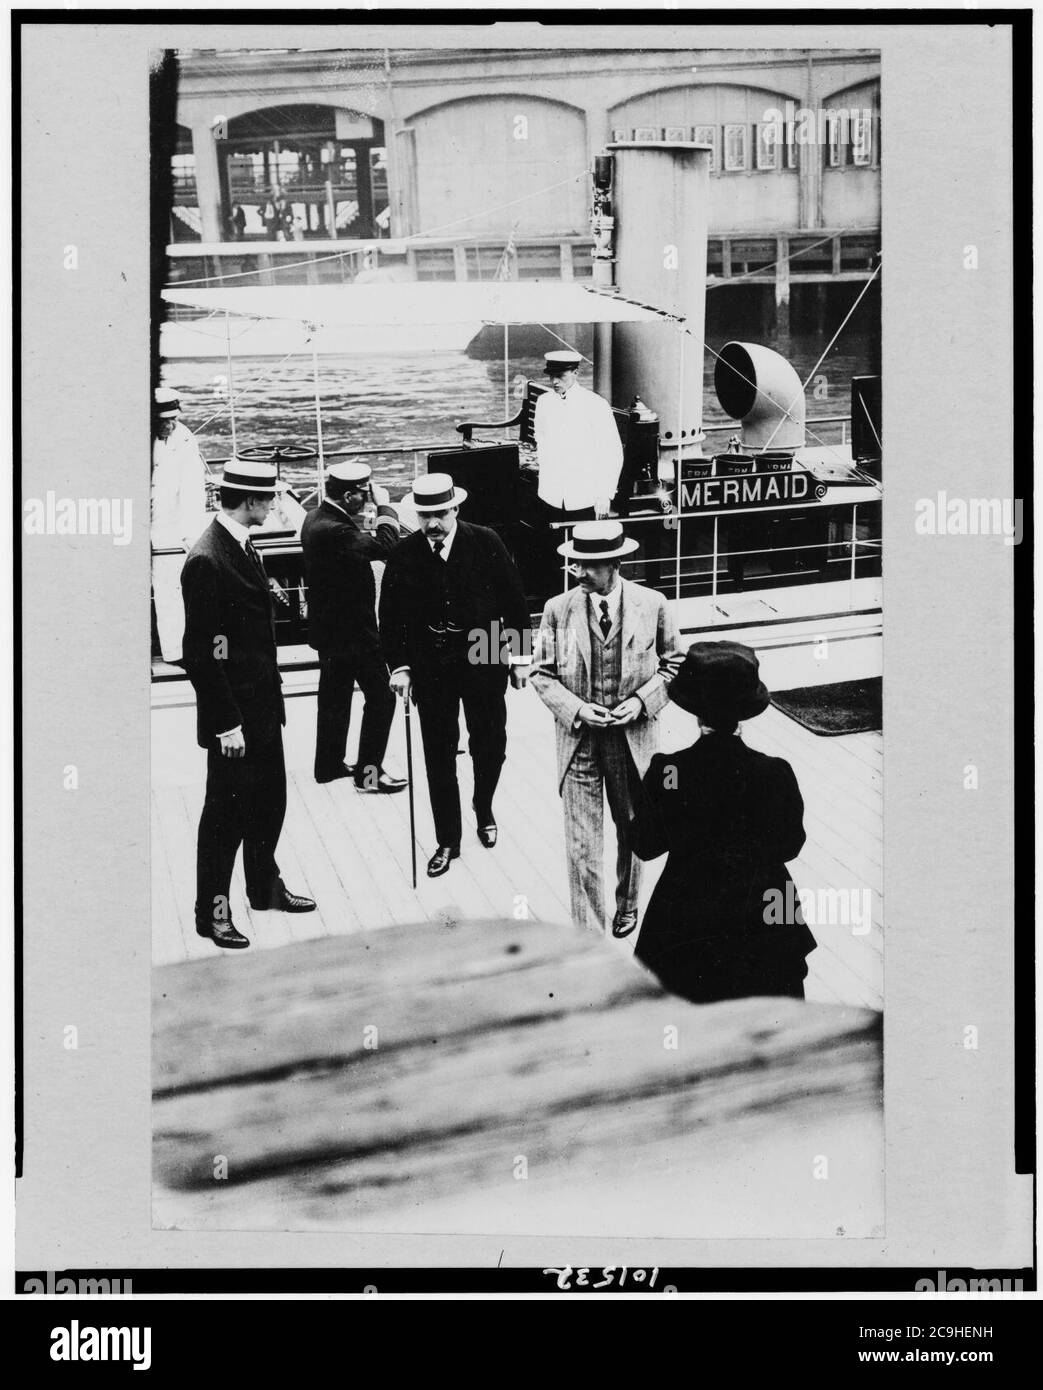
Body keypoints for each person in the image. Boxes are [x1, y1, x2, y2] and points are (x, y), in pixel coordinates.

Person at [629, 641, 817, 1003]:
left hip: (687, 914)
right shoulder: (773, 772)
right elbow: (790, 845)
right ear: (745, 711)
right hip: (765, 912)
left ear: (695, 712)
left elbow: (646, 845)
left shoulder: (670, 771)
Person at [181, 459, 316, 950]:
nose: (276, 504)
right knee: (225, 818)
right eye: (271, 497)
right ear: (252, 501)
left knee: (269, 803)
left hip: (262, 709)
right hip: (235, 721)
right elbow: (201, 653)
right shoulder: (208, 559)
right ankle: (212, 913)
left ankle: (264, 888)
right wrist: (226, 725)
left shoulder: (240, 545)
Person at [528, 520, 682, 938]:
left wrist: (641, 701)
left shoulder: (653, 604)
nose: (579, 572)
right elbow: (541, 673)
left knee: (632, 830)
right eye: (575, 563)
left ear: (615, 564)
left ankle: (627, 904)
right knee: (582, 846)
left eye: (589, 565)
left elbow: (675, 664)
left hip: (631, 742)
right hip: (579, 740)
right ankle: (590, 938)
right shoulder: (557, 610)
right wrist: (578, 709)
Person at [378, 473, 531, 877]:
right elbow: (389, 618)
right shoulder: (404, 554)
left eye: (441, 514)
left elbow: (514, 602)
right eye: (425, 515)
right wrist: (401, 667)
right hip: (431, 666)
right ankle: (448, 839)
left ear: (455, 509)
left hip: (485, 650)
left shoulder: (487, 541)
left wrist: (520, 658)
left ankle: (484, 806)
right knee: (438, 755)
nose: (432, 523)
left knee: (491, 745)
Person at [299, 461, 406, 792]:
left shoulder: (314, 517)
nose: (367, 499)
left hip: (329, 631)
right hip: (354, 634)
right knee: (383, 698)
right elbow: (386, 547)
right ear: (348, 497)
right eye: (363, 494)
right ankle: (368, 775)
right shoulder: (336, 530)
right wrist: (386, 506)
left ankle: (328, 765)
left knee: (335, 697)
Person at [151, 386, 210, 664]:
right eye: (164, 420)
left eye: (174, 418)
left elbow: (193, 490)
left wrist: (190, 534)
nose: (171, 425)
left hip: (170, 527)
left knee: (172, 589)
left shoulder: (184, 438)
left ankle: (175, 652)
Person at [533, 350, 624, 522]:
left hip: (583, 497)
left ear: (575, 373)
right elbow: (541, 438)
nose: (554, 381)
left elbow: (612, 453)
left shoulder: (595, 404)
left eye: (560, 376)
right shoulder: (544, 402)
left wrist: (604, 494)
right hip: (550, 494)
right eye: (551, 375)